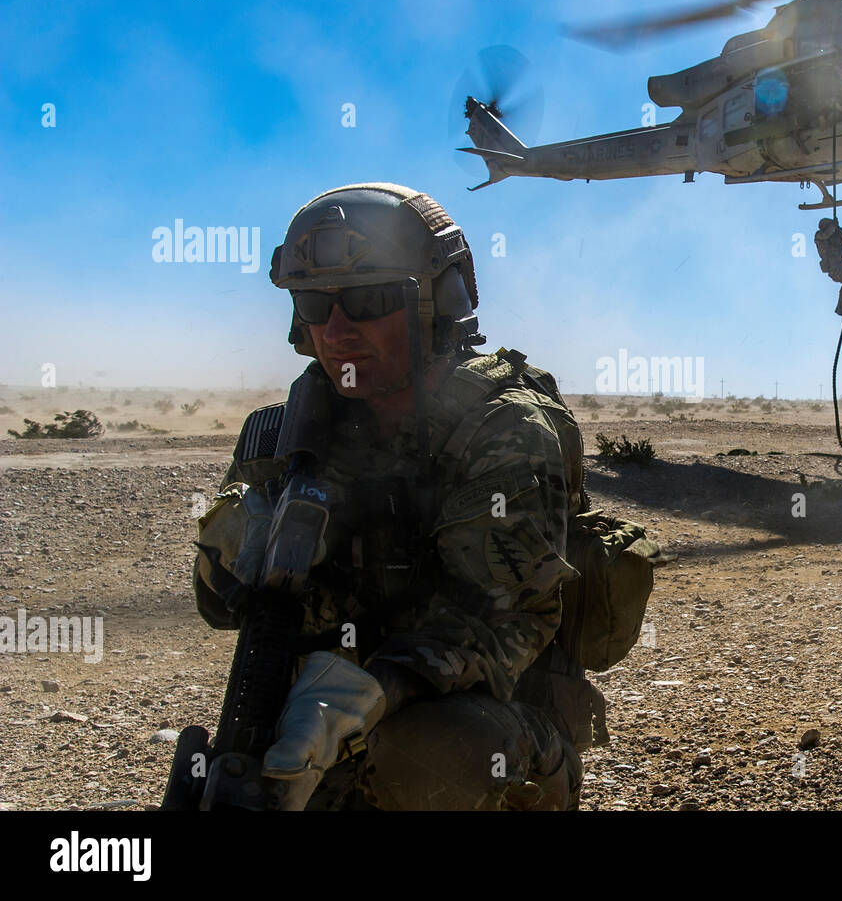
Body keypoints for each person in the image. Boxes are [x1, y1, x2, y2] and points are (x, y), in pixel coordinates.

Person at [191, 182, 600, 810]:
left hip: (491, 725)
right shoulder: (288, 433)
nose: (336, 329)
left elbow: (509, 622)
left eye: (369, 301)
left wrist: (376, 686)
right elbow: (224, 610)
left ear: (438, 303)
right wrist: (232, 553)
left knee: (435, 752)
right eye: (314, 305)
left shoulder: (502, 428)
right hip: (330, 727)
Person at [814, 217, 842, 317]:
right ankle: (840, 307)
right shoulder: (819, 235)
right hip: (833, 266)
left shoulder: (835, 234)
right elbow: (825, 235)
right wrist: (834, 226)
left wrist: (839, 230)